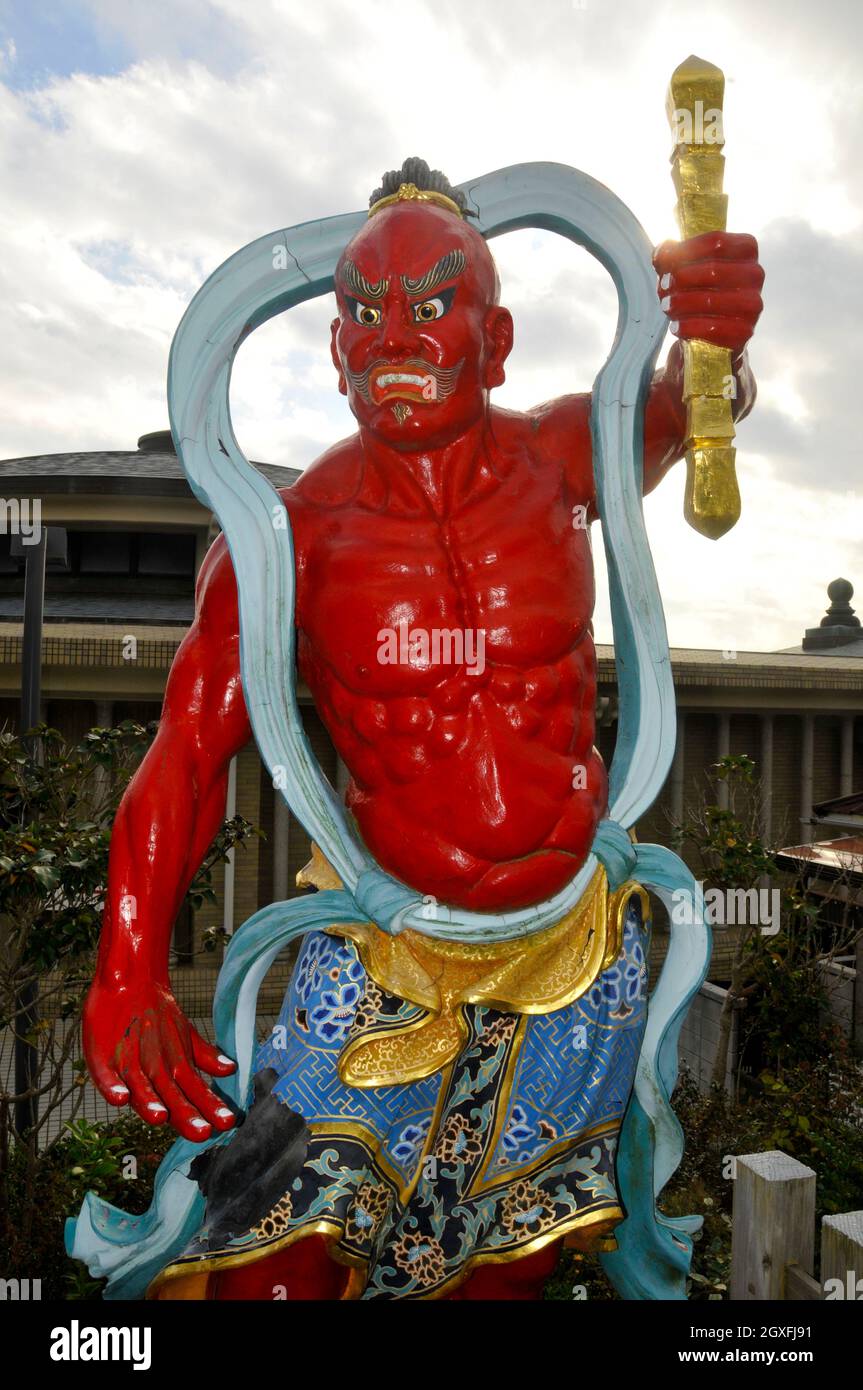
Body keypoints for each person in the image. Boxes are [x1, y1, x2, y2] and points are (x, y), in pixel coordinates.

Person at [83, 158, 763, 1299]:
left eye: (431, 302)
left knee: (503, 1267)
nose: (392, 332)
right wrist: (128, 962)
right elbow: (189, 751)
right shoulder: (282, 540)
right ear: (336, 350)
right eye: (361, 311)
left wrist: (718, 341)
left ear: (494, 342)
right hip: (382, 941)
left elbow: (688, 407)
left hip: (571, 942)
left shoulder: (563, 459)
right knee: (270, 1258)